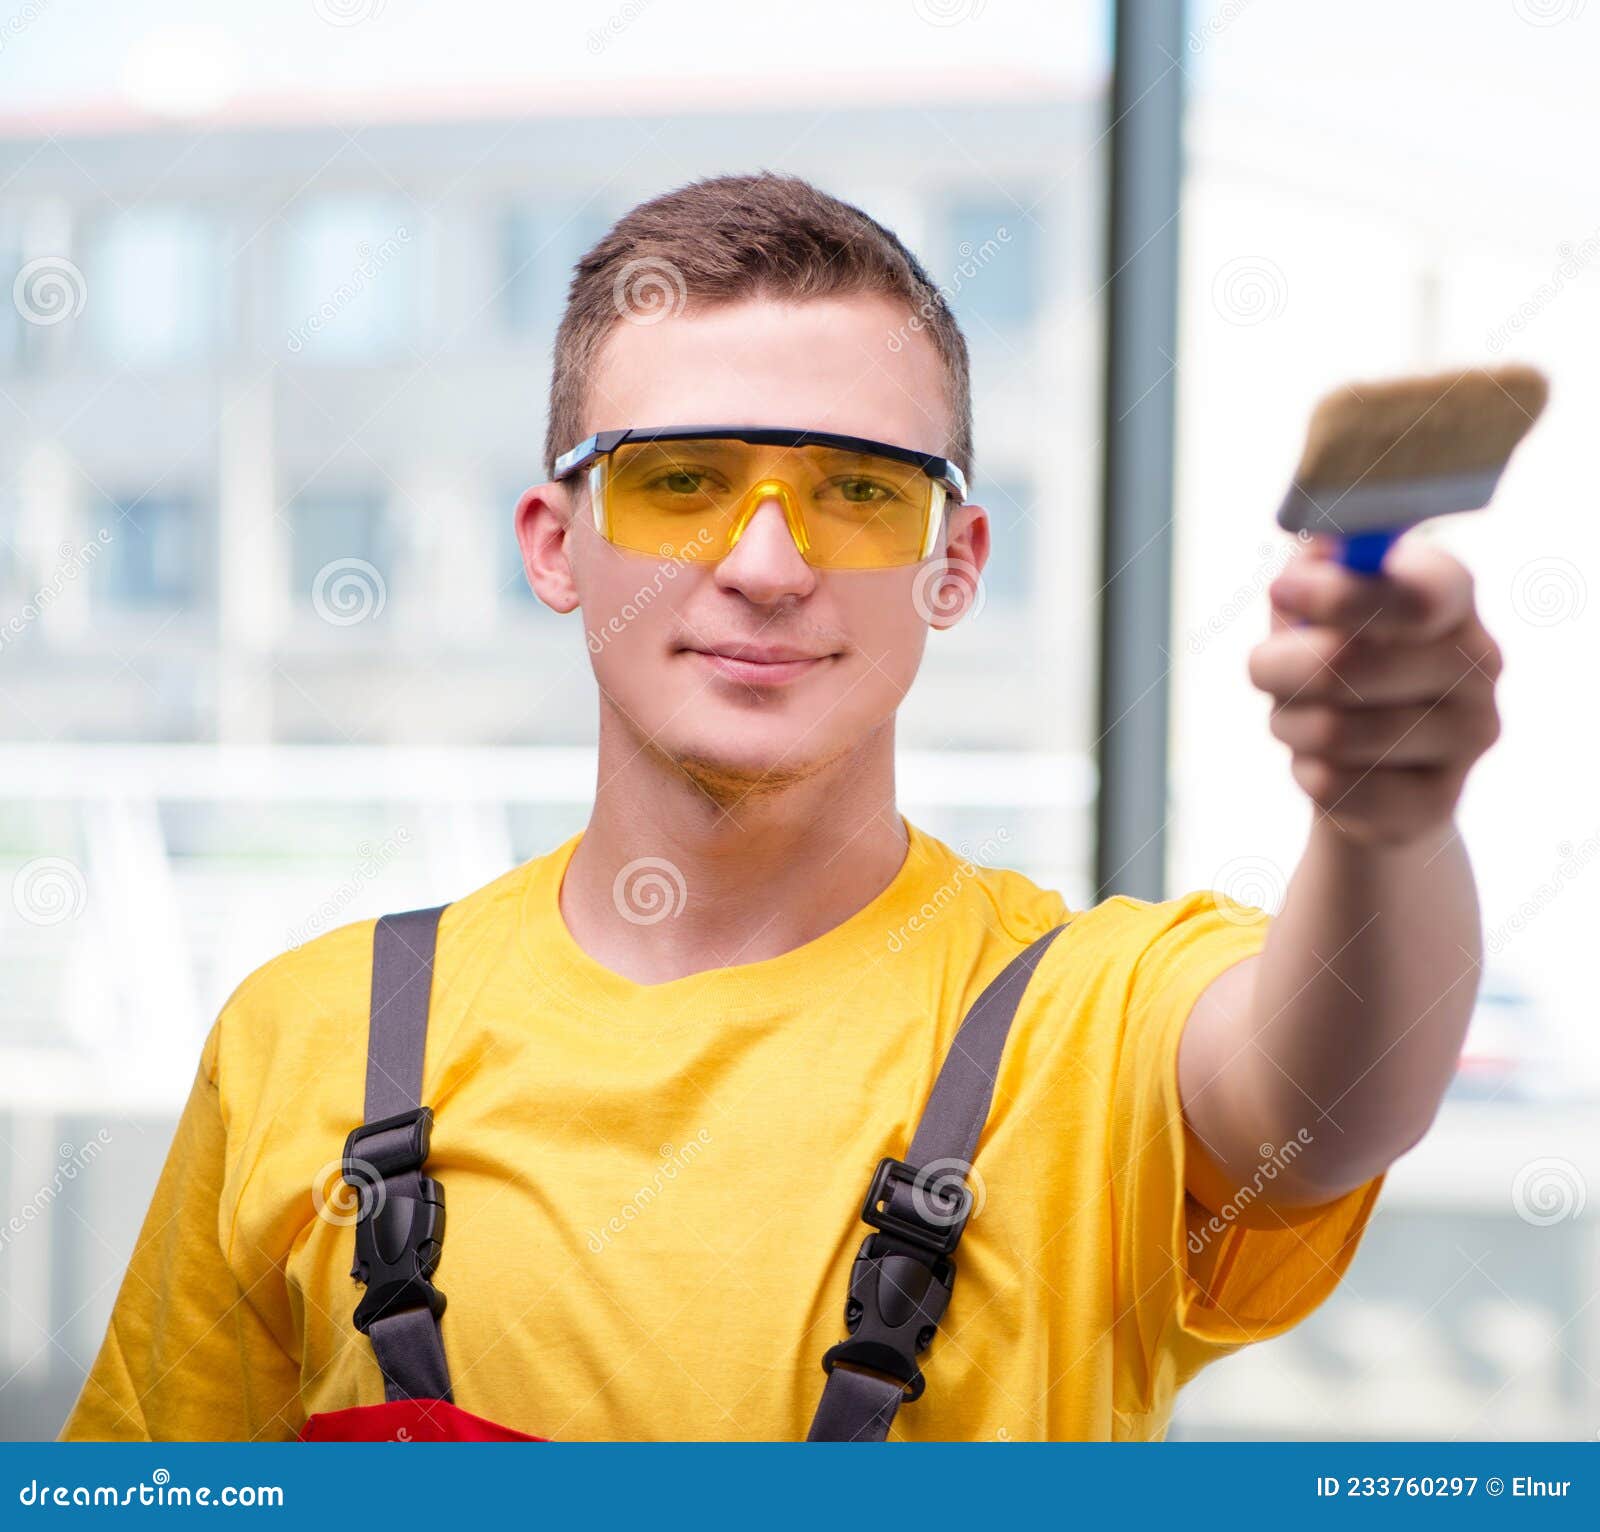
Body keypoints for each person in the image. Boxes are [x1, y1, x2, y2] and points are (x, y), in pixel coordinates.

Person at [60, 172, 1501, 1442]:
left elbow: (1334, 1096)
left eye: (859, 492)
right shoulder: (307, 1038)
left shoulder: (1084, 1027)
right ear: (555, 544)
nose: (764, 562)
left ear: (956, 562)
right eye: (680, 480)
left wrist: (1387, 820)